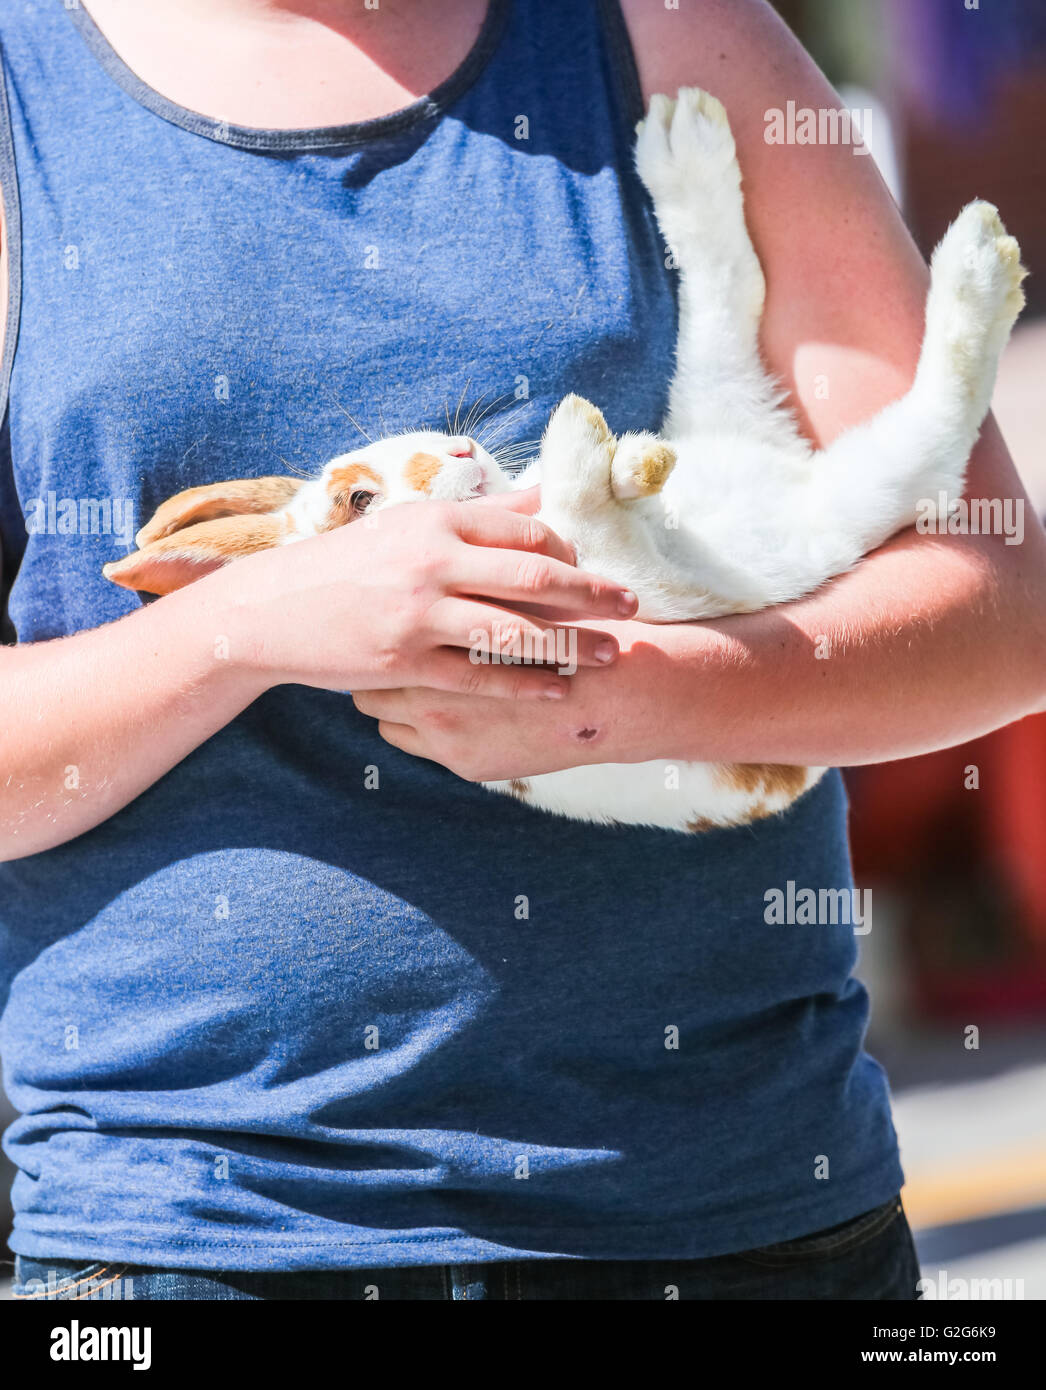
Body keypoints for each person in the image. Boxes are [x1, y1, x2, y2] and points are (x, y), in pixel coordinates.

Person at [1, 0, 1042, 1302]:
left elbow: (996, 606)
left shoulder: (672, 32)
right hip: (195, 1232)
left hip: (730, 1214)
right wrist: (243, 628)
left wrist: (633, 701)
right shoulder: (21, 91)